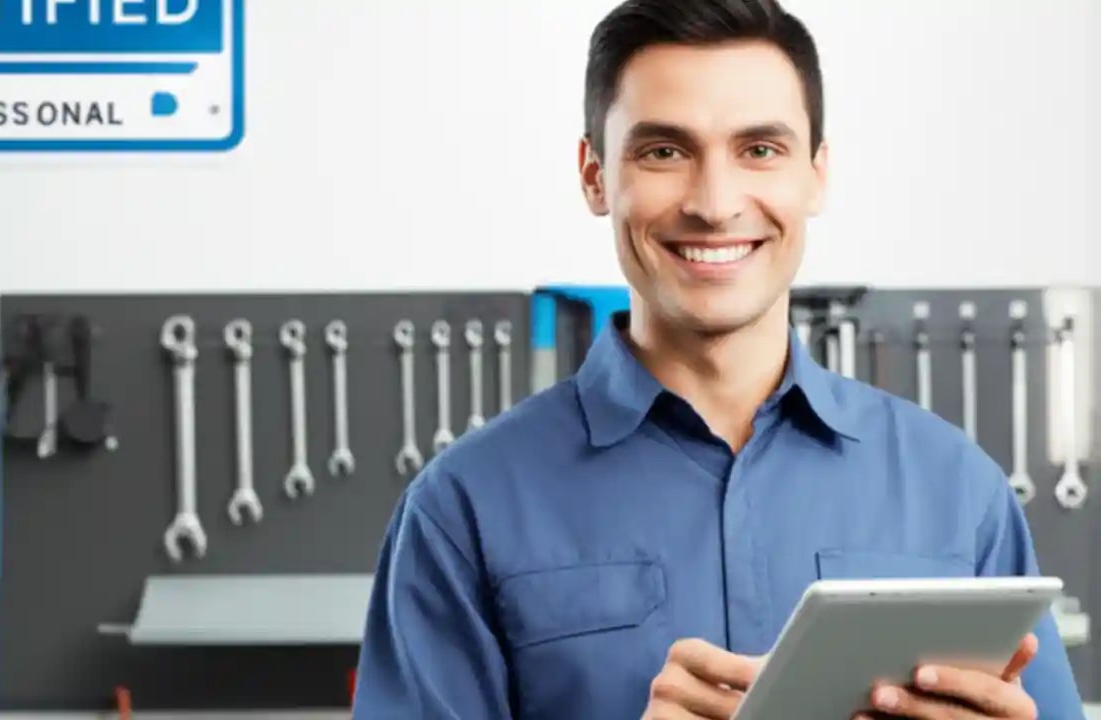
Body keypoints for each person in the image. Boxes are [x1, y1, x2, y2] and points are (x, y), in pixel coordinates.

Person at [351, 0, 1086, 717]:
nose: (715, 201)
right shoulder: (461, 511)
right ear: (595, 175)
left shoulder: (960, 495)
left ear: (815, 174)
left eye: (759, 150)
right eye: (664, 151)